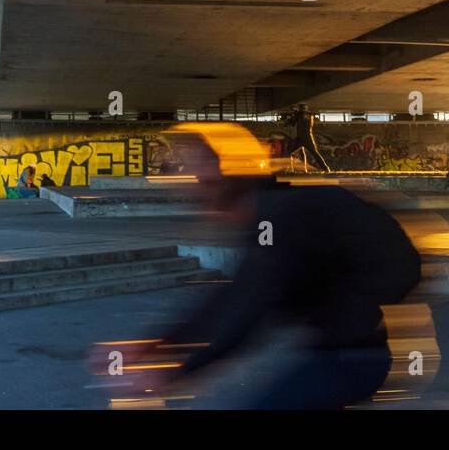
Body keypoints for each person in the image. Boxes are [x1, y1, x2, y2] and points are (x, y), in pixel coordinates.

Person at [120, 122, 422, 409]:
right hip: (341, 350)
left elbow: (250, 312)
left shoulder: (275, 218)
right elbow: (233, 297)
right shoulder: (270, 214)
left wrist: (177, 371)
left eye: (196, 166)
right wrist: (157, 344)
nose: (189, 180)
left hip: (352, 356)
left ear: (224, 172)